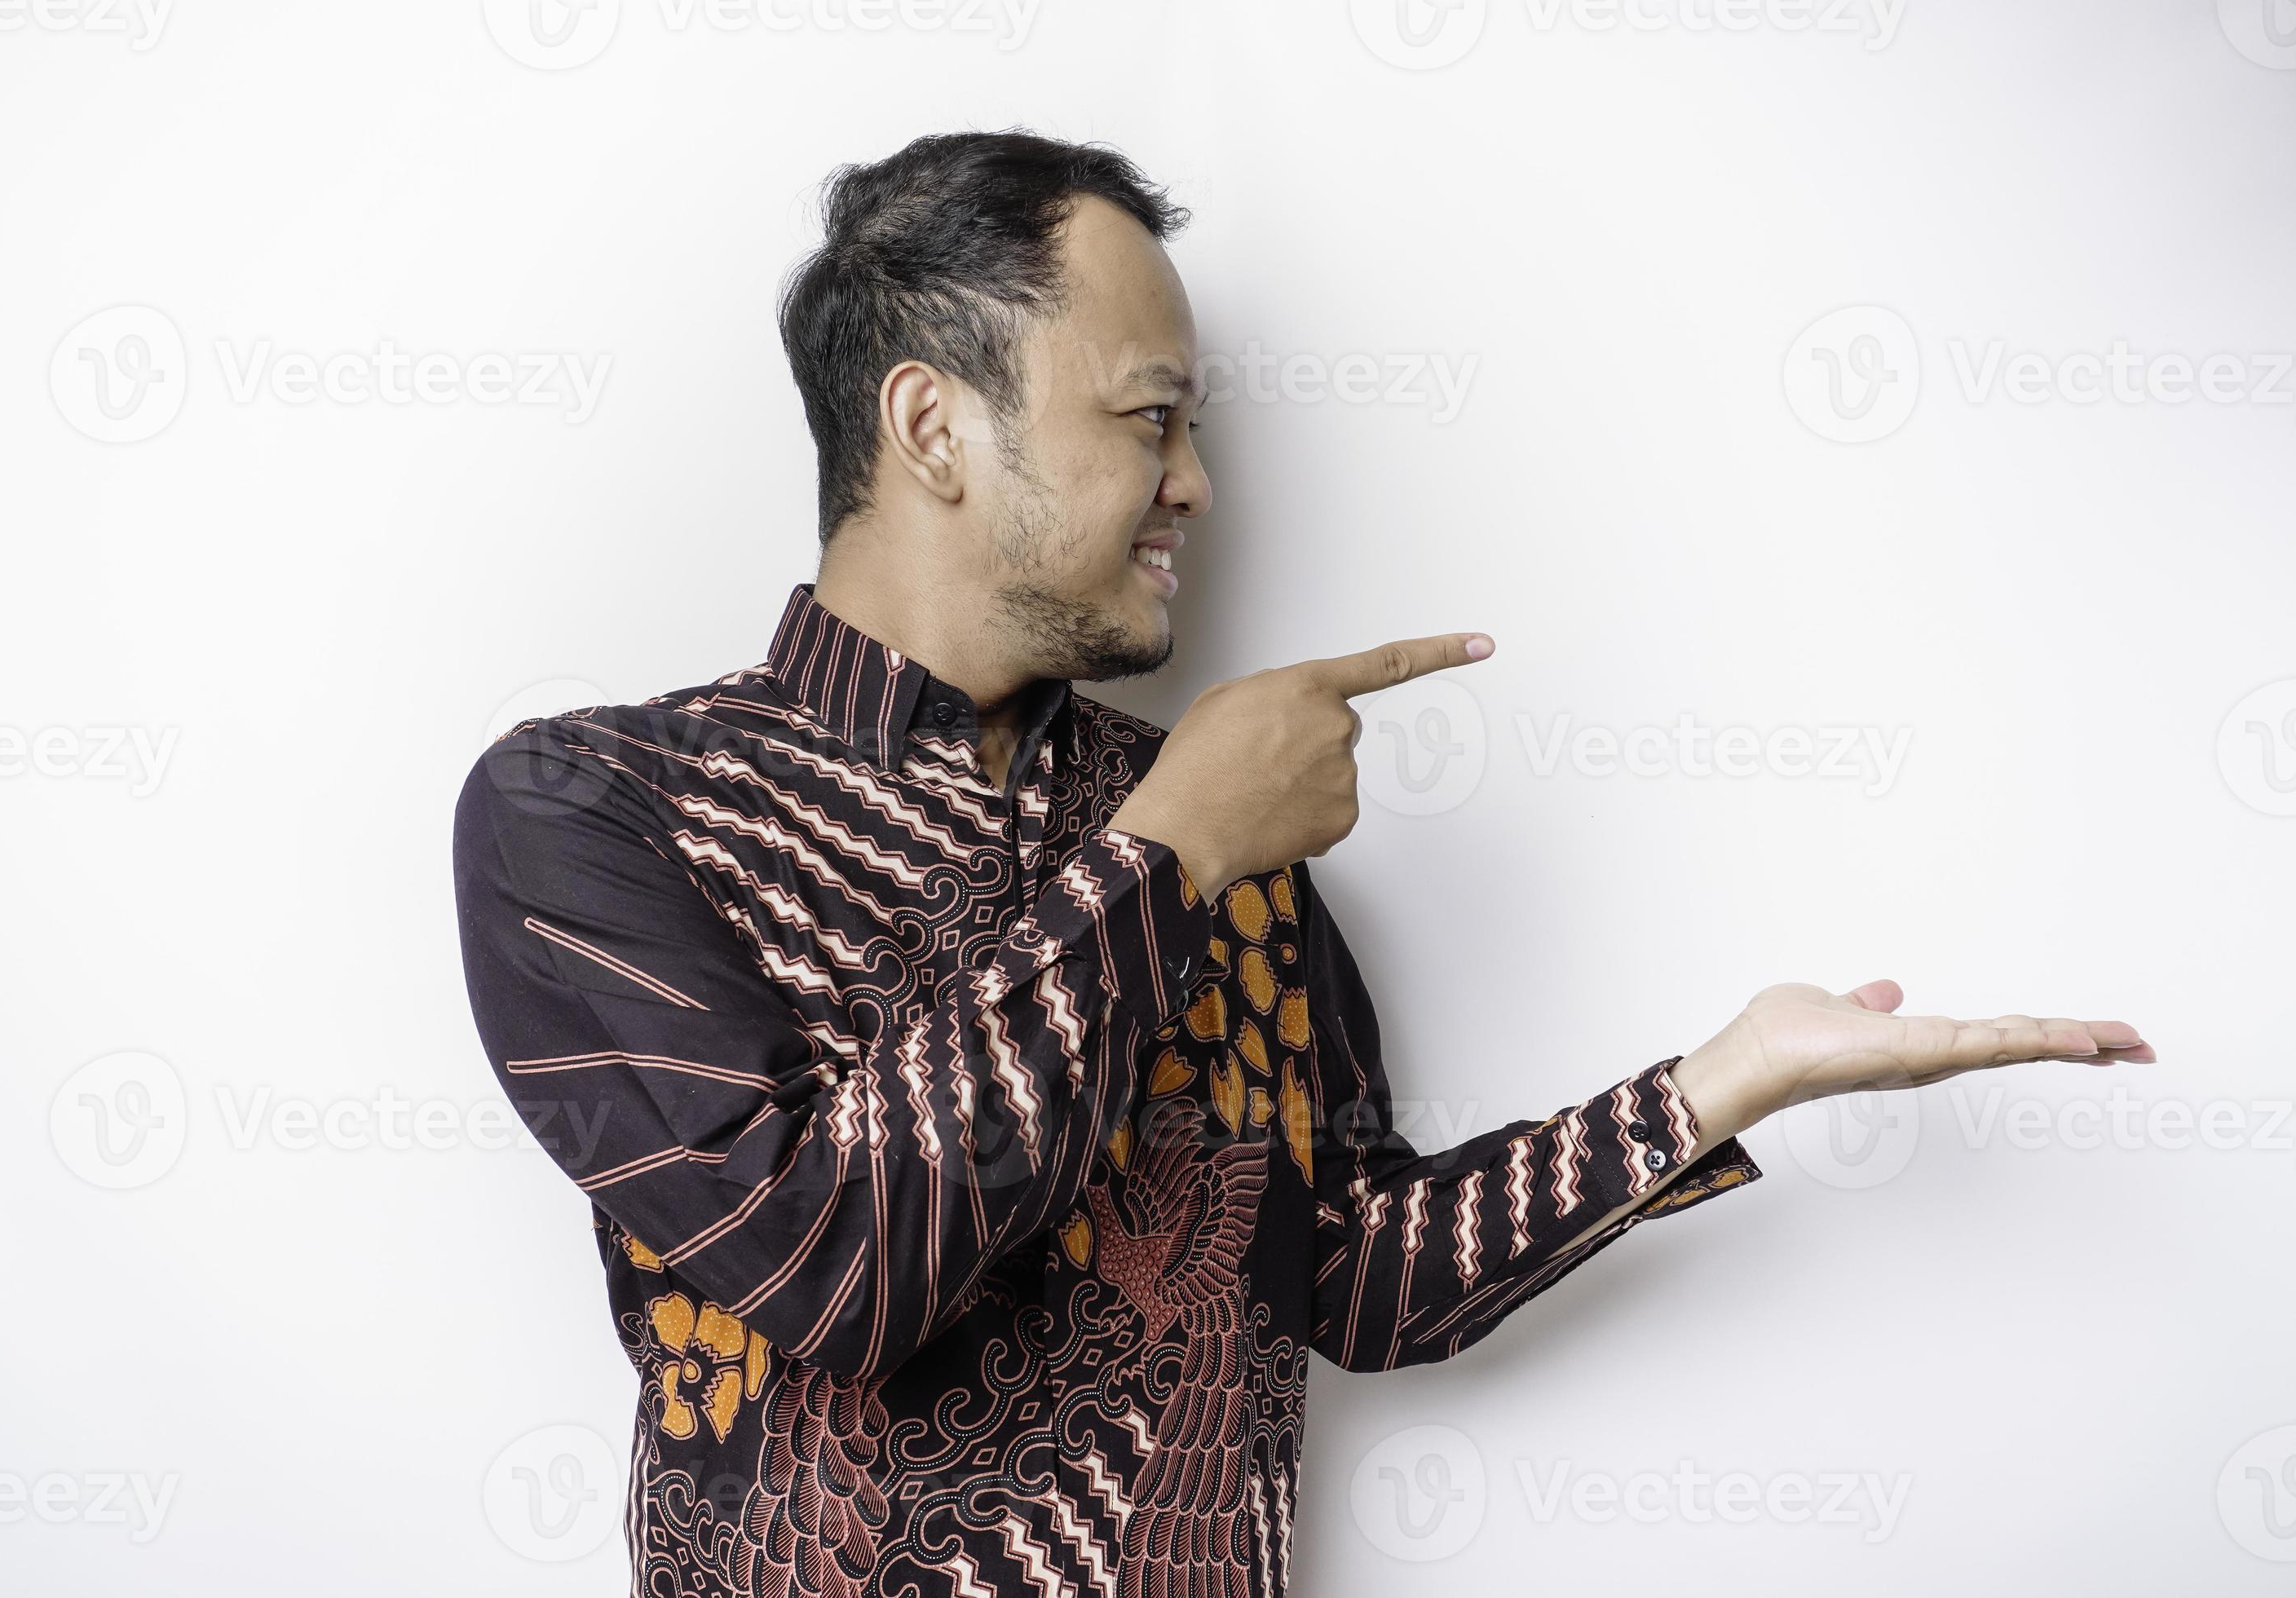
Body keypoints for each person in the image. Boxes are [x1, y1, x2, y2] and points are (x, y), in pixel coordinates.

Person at [450, 130, 2150, 1597]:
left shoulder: (1205, 820)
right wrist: (1176, 844)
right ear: (934, 427)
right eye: (1150, 417)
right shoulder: (594, 805)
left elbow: (1353, 1272)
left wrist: (1724, 1081)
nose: (1195, 483)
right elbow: (830, 1262)